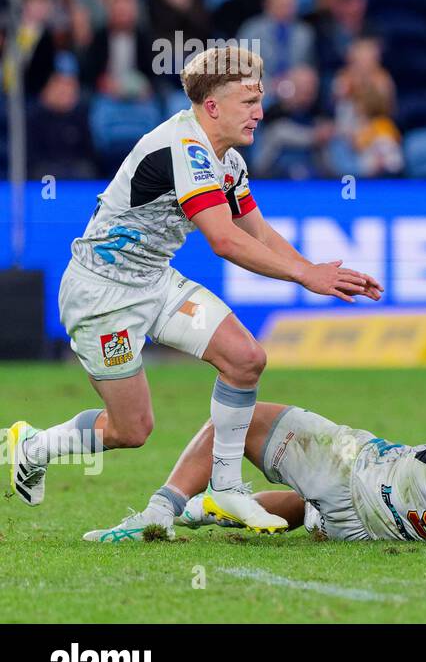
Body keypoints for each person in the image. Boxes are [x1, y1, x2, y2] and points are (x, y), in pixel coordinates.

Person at [7, 46, 384, 541]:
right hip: (101, 295)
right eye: (248, 101)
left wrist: (312, 269)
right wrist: (303, 277)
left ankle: (226, 487)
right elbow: (225, 240)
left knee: (246, 358)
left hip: (155, 280)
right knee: (132, 430)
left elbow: (257, 231)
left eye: (261, 99)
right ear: (212, 106)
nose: (260, 112)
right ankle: (32, 447)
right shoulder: (183, 148)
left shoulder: (227, 160)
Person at [96, 378, 426, 543]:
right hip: (362, 530)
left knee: (237, 418)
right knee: (303, 508)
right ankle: (207, 510)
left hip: (352, 468)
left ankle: (162, 509)